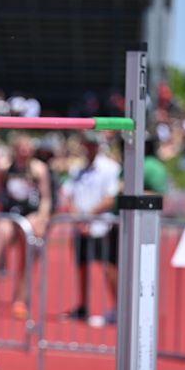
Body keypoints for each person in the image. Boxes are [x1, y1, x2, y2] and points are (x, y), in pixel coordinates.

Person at [0, 131, 52, 318]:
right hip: (9, 214)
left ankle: (20, 299)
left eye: (27, 147)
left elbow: (46, 198)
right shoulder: (5, 167)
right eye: (21, 147)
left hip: (30, 214)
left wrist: (42, 218)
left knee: (26, 257)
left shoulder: (38, 168)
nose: (24, 151)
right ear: (15, 147)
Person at [66, 132, 122, 324]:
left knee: (109, 265)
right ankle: (83, 306)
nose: (89, 147)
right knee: (82, 266)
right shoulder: (78, 169)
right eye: (87, 144)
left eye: (93, 144)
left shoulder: (110, 168)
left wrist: (87, 217)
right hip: (82, 226)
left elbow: (110, 196)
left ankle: (119, 307)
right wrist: (78, 220)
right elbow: (70, 195)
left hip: (102, 226)